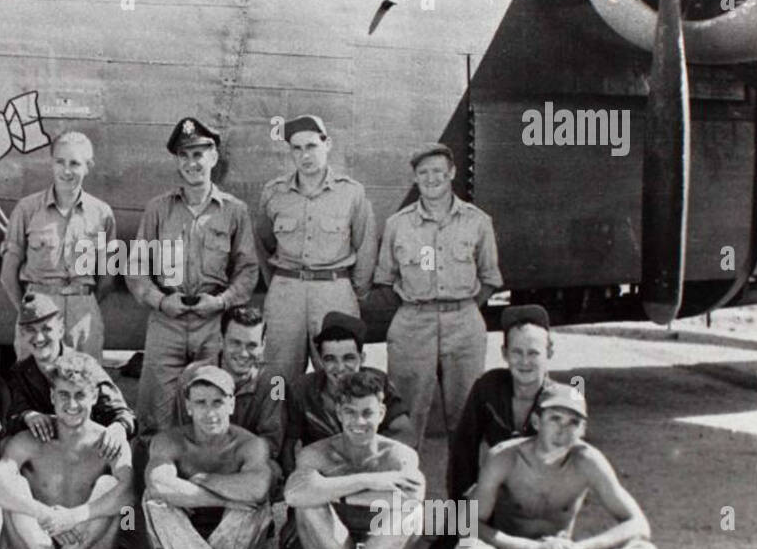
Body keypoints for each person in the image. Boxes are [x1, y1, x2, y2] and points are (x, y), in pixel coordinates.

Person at [455, 383, 659, 549]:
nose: (563, 430)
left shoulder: (588, 461)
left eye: (573, 423)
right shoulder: (504, 458)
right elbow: (468, 526)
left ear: (582, 430)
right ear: (536, 421)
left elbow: (638, 524)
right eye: (555, 419)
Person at [126, 117, 259, 434]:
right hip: (167, 319)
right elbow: (136, 266)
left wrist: (221, 302)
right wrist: (160, 301)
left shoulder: (234, 211)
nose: (191, 163)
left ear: (213, 157)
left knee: (210, 407)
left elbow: (247, 268)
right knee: (154, 414)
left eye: (198, 154)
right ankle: (155, 462)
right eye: (183, 156)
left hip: (212, 321)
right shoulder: (158, 209)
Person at [373, 143, 502, 456]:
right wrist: (416, 308)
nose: (431, 179)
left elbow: (490, 278)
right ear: (415, 177)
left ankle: (465, 484)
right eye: (423, 172)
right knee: (404, 416)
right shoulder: (398, 224)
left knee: (466, 413)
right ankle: (403, 483)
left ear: (452, 173)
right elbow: (385, 279)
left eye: (438, 172)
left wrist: (462, 308)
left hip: (464, 323)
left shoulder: (477, 221)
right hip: (413, 323)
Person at [0, 354, 134, 549]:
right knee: (12, 485)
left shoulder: (108, 441)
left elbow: (128, 495)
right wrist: (46, 515)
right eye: (64, 395)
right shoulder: (29, 440)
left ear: (94, 397)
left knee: (110, 483)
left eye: (80, 395)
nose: (72, 404)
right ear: (52, 396)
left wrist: (74, 517)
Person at [274, 369, 423, 549]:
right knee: (308, 504)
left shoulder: (399, 455)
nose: (359, 422)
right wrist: (369, 481)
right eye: (350, 412)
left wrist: (331, 491)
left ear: (382, 413)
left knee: (412, 511)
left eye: (367, 413)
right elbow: (294, 495)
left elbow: (413, 497)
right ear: (339, 413)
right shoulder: (316, 453)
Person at [427, 304, 558, 549]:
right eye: (517, 352)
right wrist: (462, 506)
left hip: (538, 507)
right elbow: (463, 449)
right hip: (491, 499)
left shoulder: (562, 399)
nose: (524, 362)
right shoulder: (488, 387)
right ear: (504, 354)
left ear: (549, 353)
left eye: (533, 353)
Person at [279, 311, 414, 549]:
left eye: (349, 358)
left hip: (370, 492)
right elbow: (289, 445)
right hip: (325, 490)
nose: (339, 368)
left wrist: (372, 459)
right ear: (319, 360)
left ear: (362, 357)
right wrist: (303, 487)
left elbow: (406, 434)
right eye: (330, 359)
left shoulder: (377, 382)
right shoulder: (301, 389)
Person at [257, 114, 377, 385]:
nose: (304, 155)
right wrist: (280, 283)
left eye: (311, 146)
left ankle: (340, 413)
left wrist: (353, 292)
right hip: (286, 295)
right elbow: (263, 243)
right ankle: (277, 413)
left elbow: (365, 246)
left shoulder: (351, 193)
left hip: (334, 292)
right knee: (278, 374)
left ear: (327, 144)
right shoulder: (274, 193)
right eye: (297, 148)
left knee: (340, 374)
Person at [142, 366, 274, 549]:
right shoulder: (169, 441)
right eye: (201, 403)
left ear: (231, 405)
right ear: (188, 407)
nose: (210, 412)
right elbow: (158, 484)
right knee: (153, 500)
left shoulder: (251, 444)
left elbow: (257, 489)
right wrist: (225, 499)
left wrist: (206, 480)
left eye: (218, 402)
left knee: (259, 505)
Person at [0, 131, 116, 362]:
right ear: (51, 163)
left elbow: (108, 278)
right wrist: (27, 312)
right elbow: (7, 274)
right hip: (38, 313)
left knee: (84, 378)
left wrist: (83, 303)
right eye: (60, 162)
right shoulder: (27, 209)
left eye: (75, 163)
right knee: (34, 379)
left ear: (88, 166)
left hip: (83, 317)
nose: (66, 171)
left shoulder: (103, 214)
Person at [1, 292, 135, 451]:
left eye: (46, 329)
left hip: (87, 449)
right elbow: (10, 417)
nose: (39, 338)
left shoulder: (85, 366)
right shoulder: (19, 373)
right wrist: (28, 416)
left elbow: (122, 413)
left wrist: (118, 428)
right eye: (31, 330)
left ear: (60, 330)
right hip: (44, 452)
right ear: (22, 335)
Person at [171, 305, 285, 466]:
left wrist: (234, 459)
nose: (243, 353)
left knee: (271, 470)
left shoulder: (276, 381)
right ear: (221, 340)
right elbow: (181, 434)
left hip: (248, 462)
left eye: (252, 345)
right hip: (199, 459)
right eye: (235, 343)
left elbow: (272, 442)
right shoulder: (191, 375)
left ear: (263, 345)